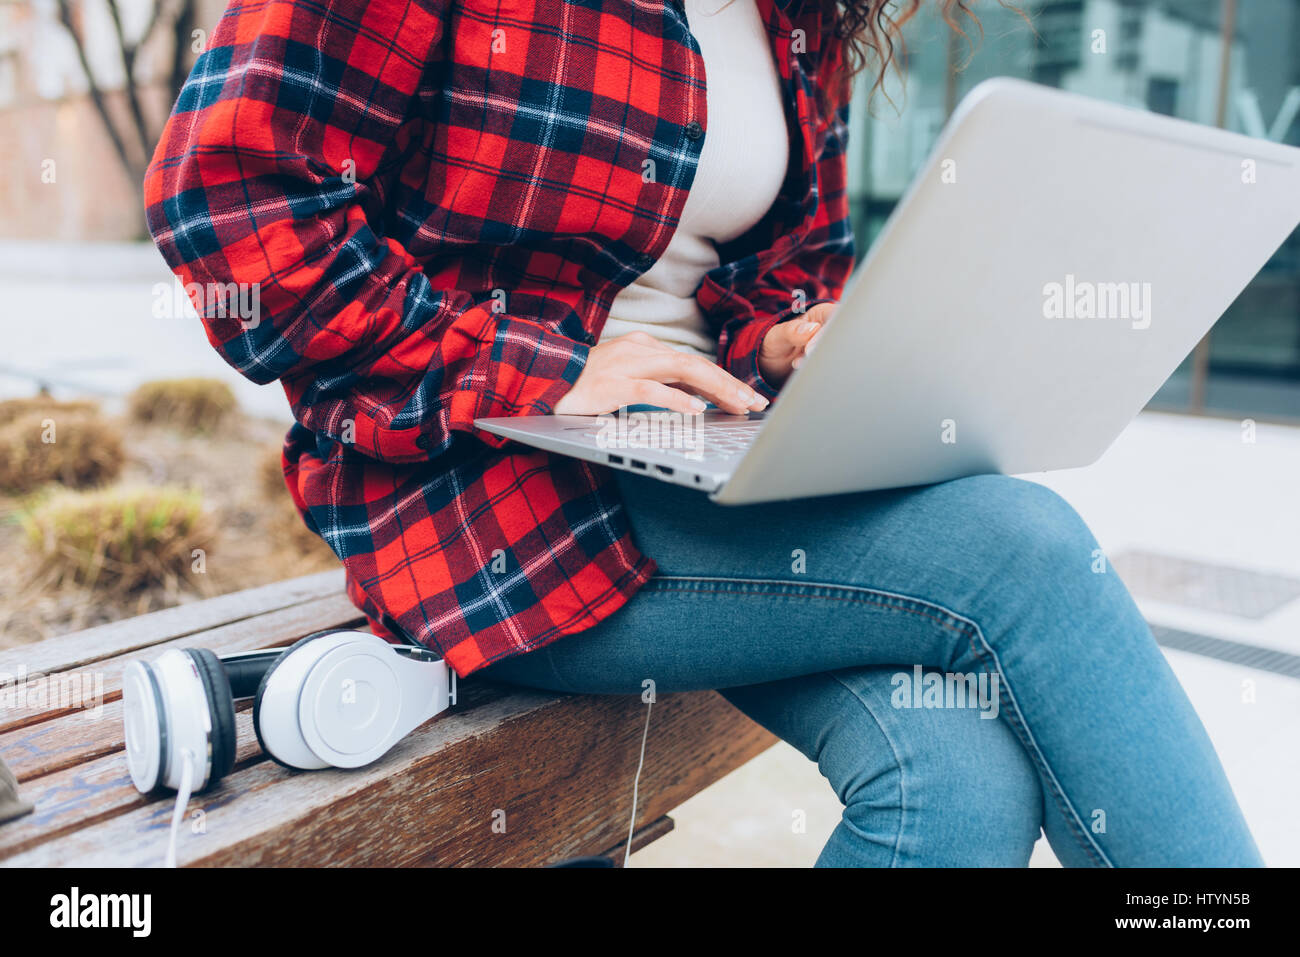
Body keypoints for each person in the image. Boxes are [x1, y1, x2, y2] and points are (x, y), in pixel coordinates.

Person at [145, 0, 1261, 866]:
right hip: (483, 492)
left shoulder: (792, 21)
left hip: (710, 466)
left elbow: (775, 270)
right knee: (1025, 550)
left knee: (955, 778)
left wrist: (780, 338)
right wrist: (553, 368)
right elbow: (230, 201)